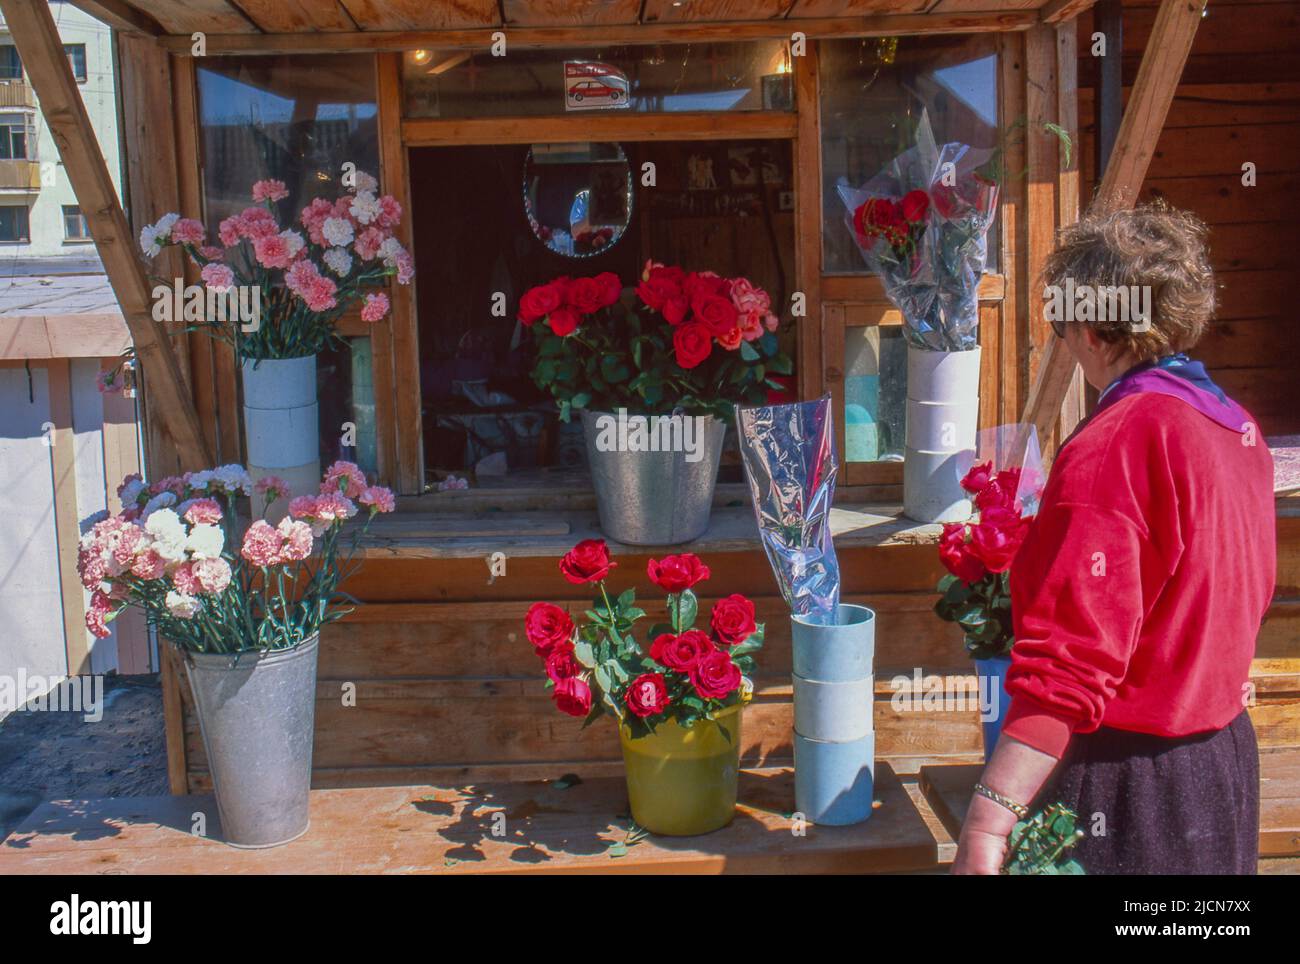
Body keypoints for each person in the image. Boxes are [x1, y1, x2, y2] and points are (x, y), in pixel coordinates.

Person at [952, 203, 1276, 874]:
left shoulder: (1122, 439)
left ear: (1092, 329)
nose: (1066, 347)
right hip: (1219, 768)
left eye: (1061, 328)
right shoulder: (1237, 429)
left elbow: (1071, 659)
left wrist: (988, 818)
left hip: (1131, 787)